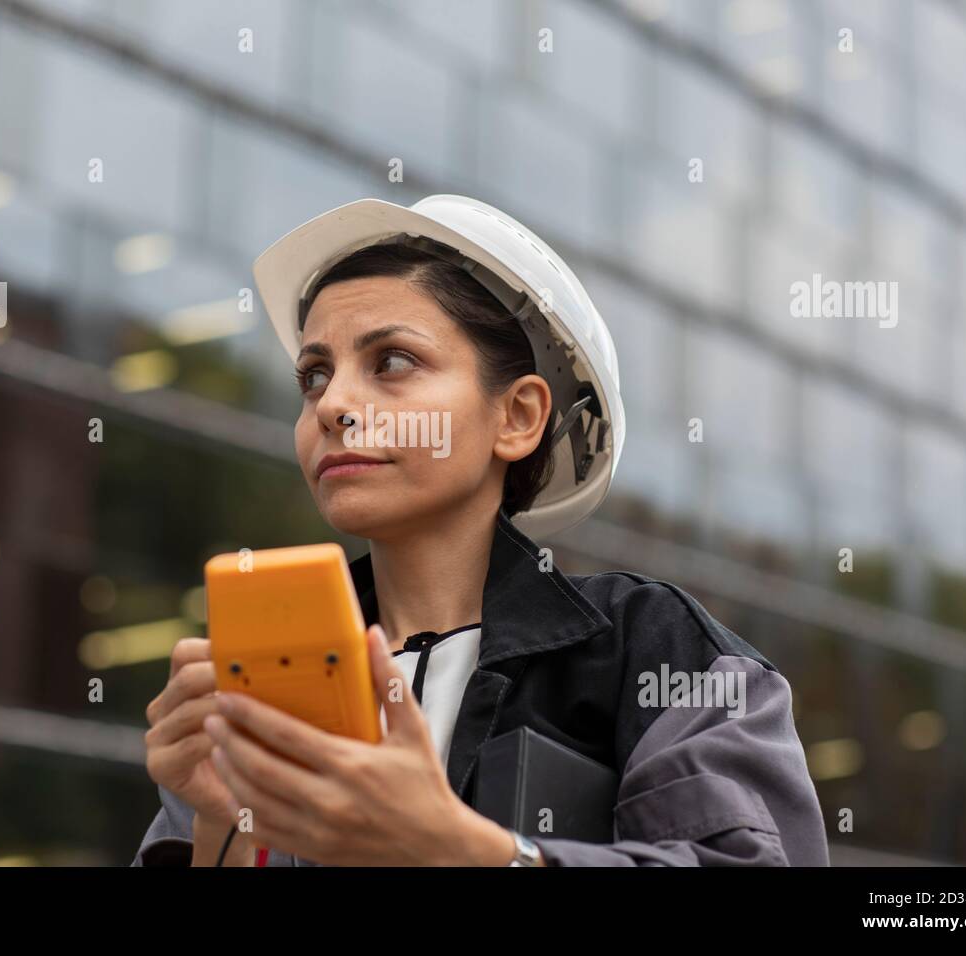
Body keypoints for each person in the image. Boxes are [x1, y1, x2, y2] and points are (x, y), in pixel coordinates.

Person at [132, 195, 829, 867]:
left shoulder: (653, 651)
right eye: (315, 375)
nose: (334, 404)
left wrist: (465, 851)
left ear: (518, 417)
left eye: (392, 362)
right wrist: (223, 826)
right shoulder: (261, 675)